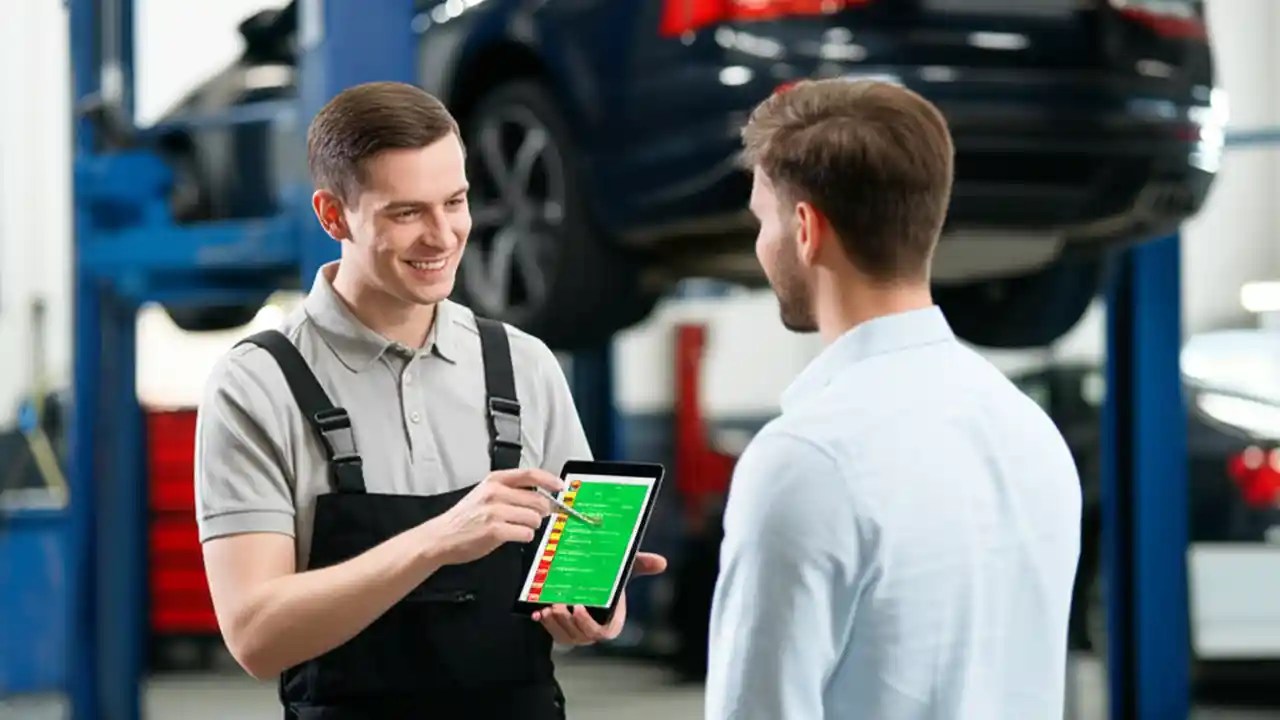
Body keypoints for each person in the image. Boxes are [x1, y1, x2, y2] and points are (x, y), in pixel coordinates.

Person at [194, 80, 665, 718]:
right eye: (406, 212)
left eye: (456, 201)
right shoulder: (257, 384)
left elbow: (576, 577)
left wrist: (592, 608)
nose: (443, 236)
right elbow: (255, 637)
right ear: (334, 216)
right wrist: (439, 540)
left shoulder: (524, 364)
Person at [704, 79, 1082, 719]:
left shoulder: (806, 458)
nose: (760, 245)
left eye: (761, 220)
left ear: (804, 230)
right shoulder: (1029, 431)